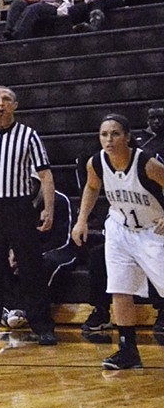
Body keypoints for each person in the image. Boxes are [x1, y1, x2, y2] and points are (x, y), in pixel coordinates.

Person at [0, 87, 57, 346]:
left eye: (6, 99)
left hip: (19, 206)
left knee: (31, 268)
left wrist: (48, 208)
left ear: (15, 105)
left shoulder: (29, 136)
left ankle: (42, 326)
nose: (1, 104)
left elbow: (46, 175)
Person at [72, 115, 164, 370]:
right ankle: (127, 350)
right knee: (120, 288)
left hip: (153, 230)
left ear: (127, 137)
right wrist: (81, 221)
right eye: (104, 134)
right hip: (120, 229)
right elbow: (91, 188)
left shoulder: (146, 163)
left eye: (114, 134)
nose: (109, 140)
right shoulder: (97, 162)